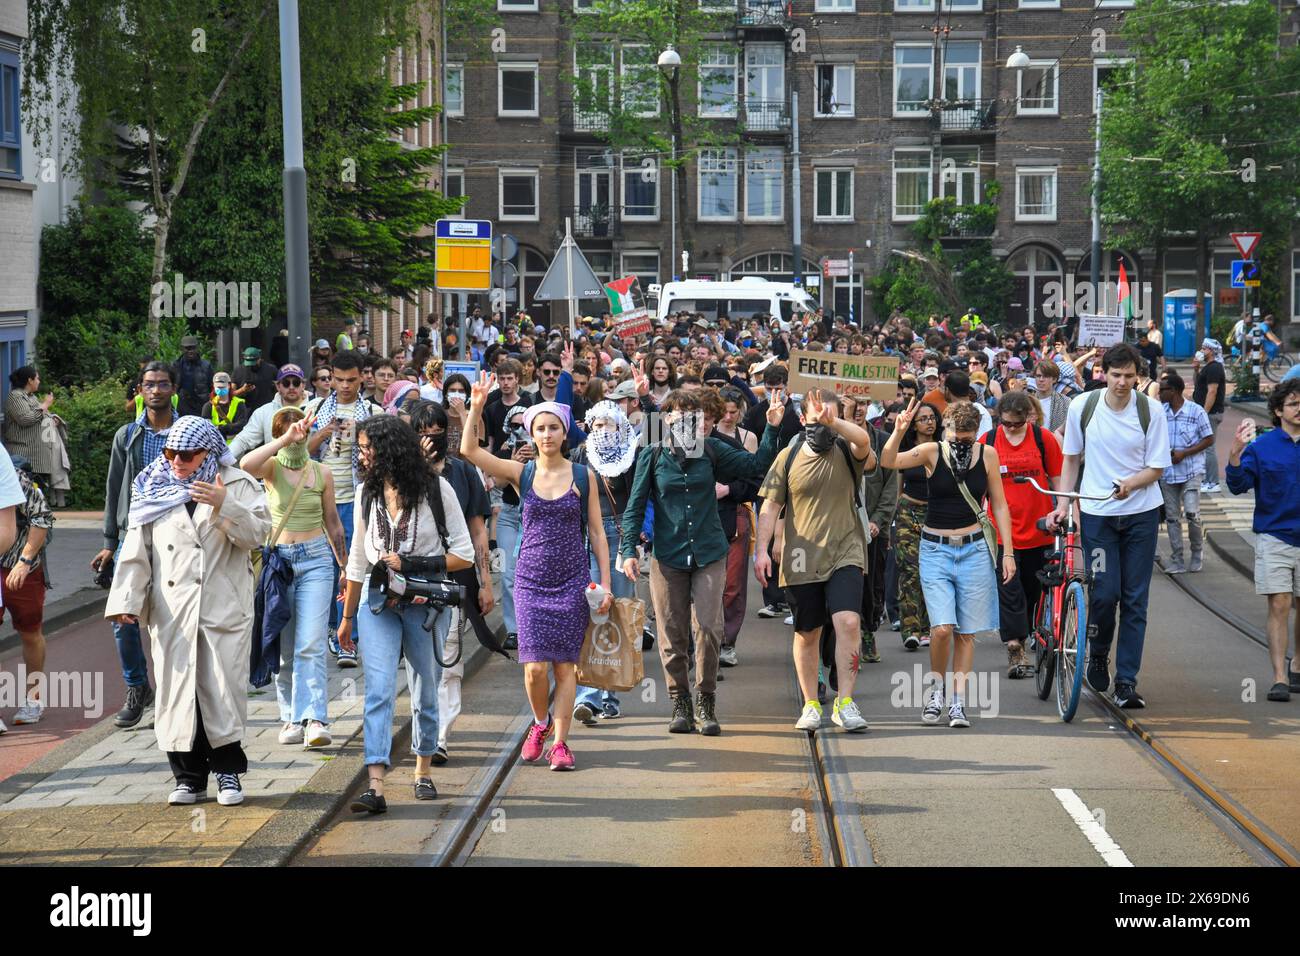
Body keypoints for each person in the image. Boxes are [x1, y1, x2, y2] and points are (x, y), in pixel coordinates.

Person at [105, 417, 271, 805]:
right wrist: (126, 602)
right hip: (173, 610)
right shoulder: (150, 485)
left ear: (207, 451)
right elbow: (136, 548)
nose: (176, 460)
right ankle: (188, 778)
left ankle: (228, 774)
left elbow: (259, 534)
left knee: (221, 690)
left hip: (221, 606)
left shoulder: (237, 483)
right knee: (178, 694)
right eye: (170, 452)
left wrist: (224, 505)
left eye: (186, 454)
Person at [460, 381, 613, 772]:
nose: (547, 435)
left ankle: (560, 744)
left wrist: (605, 585)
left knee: (565, 667)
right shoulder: (521, 473)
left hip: (572, 581)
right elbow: (470, 451)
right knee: (533, 668)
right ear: (532, 433)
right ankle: (540, 723)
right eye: (540, 429)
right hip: (530, 581)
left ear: (565, 432)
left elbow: (596, 532)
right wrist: (476, 408)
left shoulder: (583, 475)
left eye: (554, 428)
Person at [621, 388, 784, 737]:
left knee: (708, 627)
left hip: (709, 551)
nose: (684, 422)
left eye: (691, 416)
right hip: (669, 556)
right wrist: (628, 549)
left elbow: (757, 467)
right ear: (666, 420)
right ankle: (679, 701)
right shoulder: (651, 453)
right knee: (671, 632)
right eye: (677, 416)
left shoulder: (712, 449)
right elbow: (634, 506)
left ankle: (705, 699)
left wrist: (771, 428)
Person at [337, 416, 474, 810]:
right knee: (378, 691)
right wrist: (347, 618)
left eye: (366, 447)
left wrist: (412, 563)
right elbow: (359, 559)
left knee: (424, 688)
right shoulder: (367, 491)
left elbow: (462, 554)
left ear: (388, 449)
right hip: (378, 603)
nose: (361, 455)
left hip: (424, 604)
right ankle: (376, 784)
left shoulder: (437, 489)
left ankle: (422, 769)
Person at [882, 400, 1016, 728]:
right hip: (936, 549)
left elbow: (999, 505)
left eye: (968, 439)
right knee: (942, 628)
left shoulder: (987, 454)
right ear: (946, 429)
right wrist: (898, 431)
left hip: (973, 550)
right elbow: (888, 461)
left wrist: (1008, 552)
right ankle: (936, 690)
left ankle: (957, 702)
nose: (962, 443)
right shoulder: (930, 451)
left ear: (977, 435)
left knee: (966, 633)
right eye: (957, 436)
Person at [1052, 342, 1171, 709]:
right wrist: (1062, 503)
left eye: (1129, 376)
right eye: (1115, 375)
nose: (1122, 382)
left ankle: (1126, 682)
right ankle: (1098, 652)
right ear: (1102, 373)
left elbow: (1157, 467)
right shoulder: (1082, 407)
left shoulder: (1151, 411)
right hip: (1098, 516)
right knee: (1104, 593)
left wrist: (1131, 484)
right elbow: (1071, 459)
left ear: (1139, 377)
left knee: (1135, 600)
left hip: (1141, 515)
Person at [756, 389, 876, 733]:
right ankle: (810, 703)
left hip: (846, 549)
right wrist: (762, 550)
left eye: (830, 417)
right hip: (801, 554)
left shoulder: (846, 449)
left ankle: (845, 702)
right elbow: (770, 507)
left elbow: (864, 441)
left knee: (849, 622)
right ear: (802, 418)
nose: (822, 424)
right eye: (816, 417)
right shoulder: (789, 454)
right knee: (808, 631)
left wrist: (834, 421)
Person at [240, 407, 348, 751]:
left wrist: (344, 566)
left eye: (300, 428)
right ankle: (290, 716)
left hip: (316, 560)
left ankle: (316, 717)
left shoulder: (322, 472)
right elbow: (246, 464)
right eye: (287, 430)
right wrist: (286, 439)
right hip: (280, 564)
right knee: (284, 647)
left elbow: (333, 522)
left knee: (311, 643)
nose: (297, 435)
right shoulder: (271, 468)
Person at [92, 360, 178, 729]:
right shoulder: (126, 436)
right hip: (133, 534)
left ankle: (175, 695)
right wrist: (109, 541)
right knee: (122, 616)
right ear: (140, 391)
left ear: (173, 388)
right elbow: (113, 491)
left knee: (171, 617)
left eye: (161, 384)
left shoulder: (188, 431)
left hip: (177, 533)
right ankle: (137, 687)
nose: (155, 390)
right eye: (148, 384)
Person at [410, 401, 494, 763]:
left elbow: (478, 528)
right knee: (418, 662)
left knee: (448, 657)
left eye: (437, 431)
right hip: (413, 579)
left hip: (454, 578)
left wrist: (485, 581)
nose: (431, 439)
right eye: (422, 433)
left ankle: (439, 736)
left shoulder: (463, 473)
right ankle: (422, 729)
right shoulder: (404, 475)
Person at [305, 351, 385, 667]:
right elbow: (301, 451)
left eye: (352, 380)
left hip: (355, 499)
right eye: (339, 380)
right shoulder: (316, 409)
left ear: (362, 377)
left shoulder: (372, 411)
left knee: (351, 570)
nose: (345, 386)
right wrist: (325, 432)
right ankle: (328, 629)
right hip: (318, 498)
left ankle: (347, 638)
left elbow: (381, 454)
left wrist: (362, 430)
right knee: (323, 567)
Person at [1225, 379, 1300, 701]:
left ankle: (1297, 663)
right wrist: (1235, 454)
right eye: (1294, 403)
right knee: (1280, 603)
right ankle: (1280, 677)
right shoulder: (1262, 447)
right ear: (1278, 410)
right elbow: (1239, 485)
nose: (1299, 409)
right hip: (1274, 536)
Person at [569, 400, 641, 721]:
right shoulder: (579, 455)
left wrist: (636, 540)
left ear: (620, 426)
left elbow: (641, 497)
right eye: (596, 425)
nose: (602, 431)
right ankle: (588, 695)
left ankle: (612, 693)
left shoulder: (632, 454)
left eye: (608, 425)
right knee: (591, 610)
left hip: (621, 535)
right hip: (587, 538)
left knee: (617, 610)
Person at [983, 391, 1063, 678]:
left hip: (1040, 530)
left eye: (1017, 424)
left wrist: (1066, 513)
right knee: (1009, 589)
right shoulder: (989, 441)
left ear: (1028, 417)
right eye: (1006, 423)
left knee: (1034, 590)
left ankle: (1028, 635)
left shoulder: (1044, 439)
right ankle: (1015, 647)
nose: (1011, 428)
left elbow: (1057, 479)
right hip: (1003, 533)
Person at [0, 460, 54, 728]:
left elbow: (42, 517)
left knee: (30, 632)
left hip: (21, 568)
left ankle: (33, 699)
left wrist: (24, 561)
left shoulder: (14, 477)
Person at [711, 387, 759, 668]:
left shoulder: (748, 438)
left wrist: (728, 489)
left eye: (734, 411)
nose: (728, 417)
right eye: (724, 412)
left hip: (737, 512)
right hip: (708, 514)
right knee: (708, 584)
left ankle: (727, 641)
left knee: (733, 583)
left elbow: (754, 478)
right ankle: (706, 640)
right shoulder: (702, 437)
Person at [1157, 371, 1214, 574]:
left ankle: (1197, 552)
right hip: (1168, 473)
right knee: (1172, 517)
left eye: (1162, 389)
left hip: (1191, 471)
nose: (1159, 393)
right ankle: (1177, 558)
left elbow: (1209, 438)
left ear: (1174, 391)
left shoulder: (1196, 411)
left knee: (1192, 513)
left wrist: (1185, 453)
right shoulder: (1159, 412)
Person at [3, 366, 70, 505]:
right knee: (26, 498)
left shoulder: (31, 397)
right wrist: (45, 404)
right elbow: (25, 419)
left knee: (36, 497)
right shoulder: (15, 396)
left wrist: (51, 419)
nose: (39, 381)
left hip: (37, 457)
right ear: (30, 380)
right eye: (37, 378)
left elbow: (40, 415)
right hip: (23, 455)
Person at [229, 364, 309, 462]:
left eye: (296, 383)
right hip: (275, 471)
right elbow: (243, 440)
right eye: (286, 383)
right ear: (278, 386)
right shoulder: (263, 412)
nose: (291, 387)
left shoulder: (316, 406)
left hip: (309, 470)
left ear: (303, 385)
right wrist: (225, 458)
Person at [1192, 338, 1227, 494]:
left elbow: (1212, 391)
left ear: (1211, 351)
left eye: (1204, 349)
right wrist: (1196, 369)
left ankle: (1213, 482)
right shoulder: (1209, 368)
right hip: (1208, 412)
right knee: (1205, 446)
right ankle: (1208, 479)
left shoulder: (1214, 368)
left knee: (1208, 448)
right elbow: (1199, 385)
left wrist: (1204, 413)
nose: (1201, 351)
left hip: (1211, 413)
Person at [201, 371, 249, 444]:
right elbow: (206, 429)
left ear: (229, 386)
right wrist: (229, 428)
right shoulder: (208, 406)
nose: (220, 389)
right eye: (218, 387)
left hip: (236, 446)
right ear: (214, 386)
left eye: (223, 387)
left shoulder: (239, 404)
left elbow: (241, 425)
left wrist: (221, 428)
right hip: (215, 447)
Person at [175, 335, 214, 417]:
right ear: (182, 349)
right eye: (187, 348)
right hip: (182, 406)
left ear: (197, 348)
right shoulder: (176, 366)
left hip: (201, 406)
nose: (191, 351)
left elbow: (213, 387)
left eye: (193, 348)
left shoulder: (206, 366)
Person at [233, 347, 278, 412]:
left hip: (266, 409)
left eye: (254, 362)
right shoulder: (238, 371)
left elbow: (280, 388)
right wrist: (243, 390)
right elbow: (231, 394)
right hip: (245, 410)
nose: (251, 365)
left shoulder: (271, 369)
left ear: (259, 358)